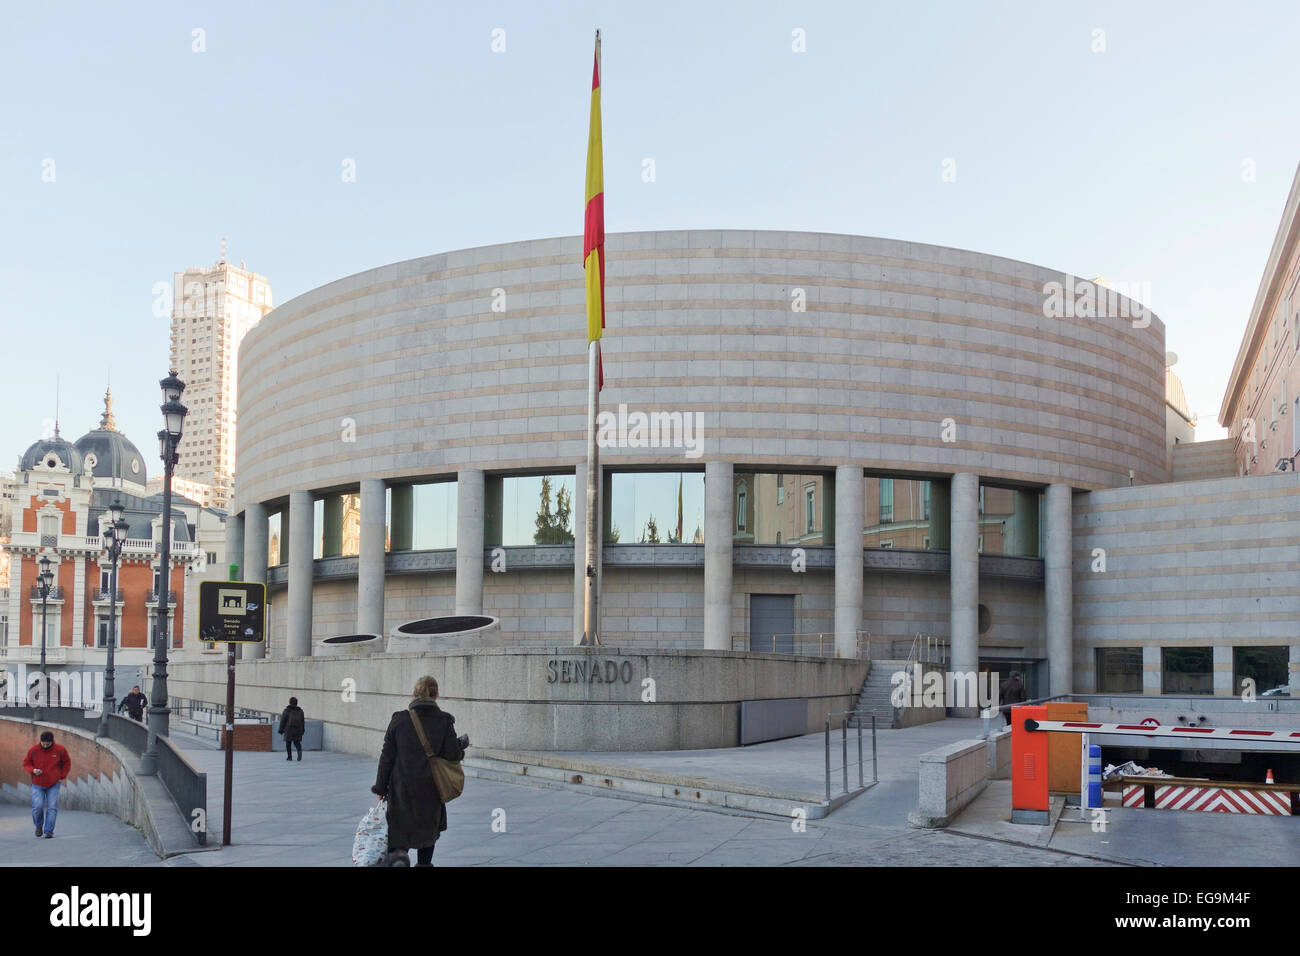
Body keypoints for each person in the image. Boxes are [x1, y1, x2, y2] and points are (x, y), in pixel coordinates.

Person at [371, 676, 466, 866]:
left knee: (399, 835)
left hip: (401, 791)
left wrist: (380, 788)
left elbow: (387, 757)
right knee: (427, 836)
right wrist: (460, 744)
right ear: (436, 695)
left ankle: (399, 859)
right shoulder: (444, 721)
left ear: (414, 694)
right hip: (430, 790)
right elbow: (453, 755)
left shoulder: (399, 720)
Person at [23, 731, 71, 839]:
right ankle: (38, 825)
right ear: (40, 741)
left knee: (52, 807)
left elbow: (67, 763)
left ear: (52, 742)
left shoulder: (60, 750)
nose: (45, 746)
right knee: (38, 806)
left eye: (47, 744)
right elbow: (26, 763)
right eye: (43, 743)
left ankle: (49, 831)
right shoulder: (33, 750)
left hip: (53, 783)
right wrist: (33, 770)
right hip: (37, 783)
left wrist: (61, 775)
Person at [279, 697, 306, 761]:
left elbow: (283, 720)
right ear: (297, 703)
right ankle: (299, 755)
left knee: (288, 743)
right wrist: (303, 730)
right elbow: (302, 721)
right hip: (298, 730)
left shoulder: (287, 710)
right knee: (297, 743)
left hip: (289, 729)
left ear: (290, 702)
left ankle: (289, 757)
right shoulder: (300, 711)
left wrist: (281, 729)